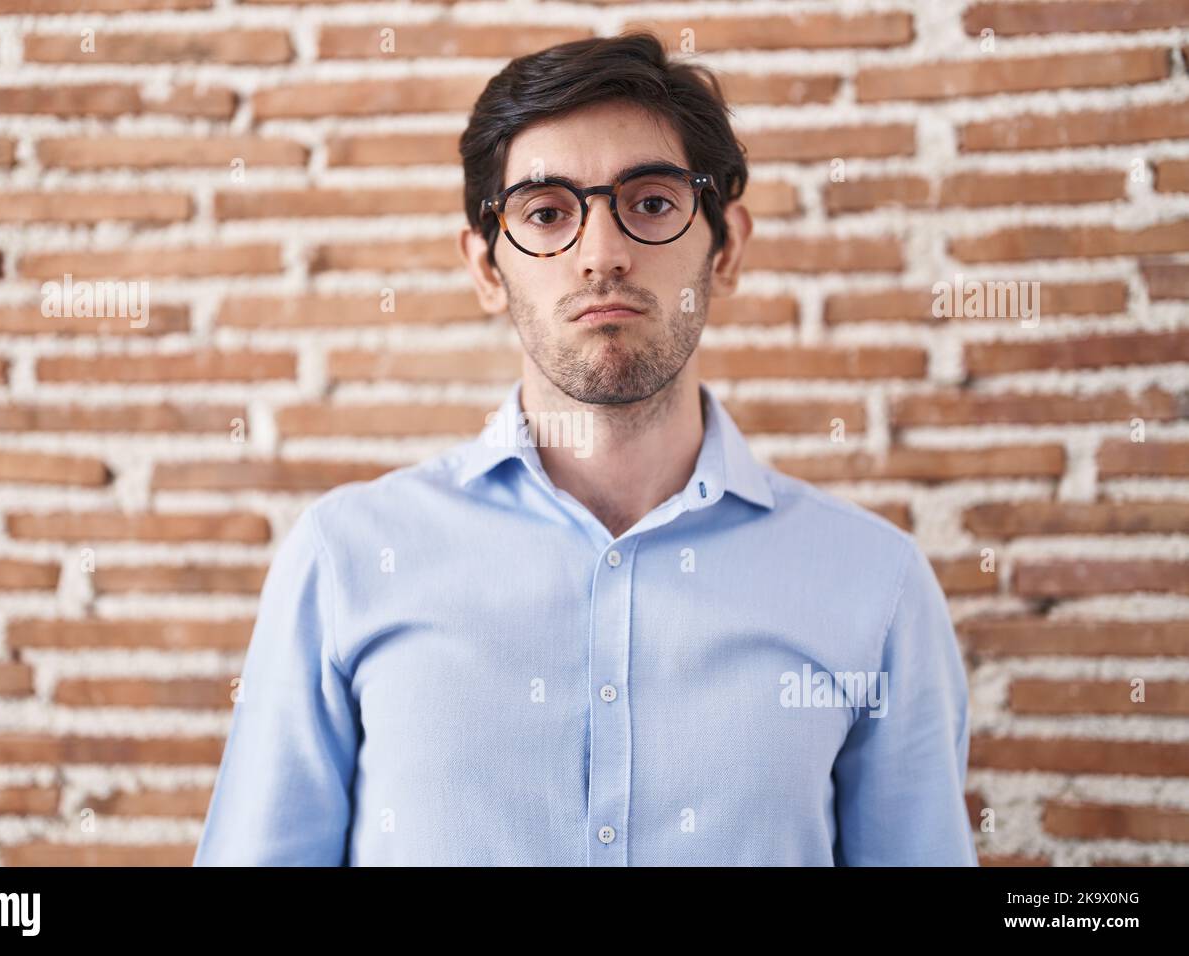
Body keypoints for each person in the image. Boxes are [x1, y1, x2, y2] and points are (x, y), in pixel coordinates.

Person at [193, 32, 978, 866]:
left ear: (728, 245)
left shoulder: (873, 585)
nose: (601, 254)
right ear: (487, 269)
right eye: (546, 212)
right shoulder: (346, 561)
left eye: (650, 203)